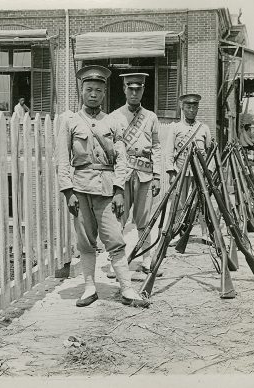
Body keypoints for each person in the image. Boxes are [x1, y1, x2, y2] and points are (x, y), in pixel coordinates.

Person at [55, 65, 149, 308]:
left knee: (115, 239)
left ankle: (127, 289)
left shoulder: (113, 122)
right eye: (89, 89)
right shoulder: (70, 122)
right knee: (85, 241)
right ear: (82, 92)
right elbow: (63, 159)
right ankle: (89, 288)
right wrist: (68, 192)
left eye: (98, 90)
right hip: (80, 189)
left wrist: (119, 191)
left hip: (107, 190)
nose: (93, 94)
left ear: (105, 93)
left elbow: (122, 160)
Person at [107, 73, 166, 277]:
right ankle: (116, 264)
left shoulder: (151, 117)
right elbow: (111, 148)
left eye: (138, 89)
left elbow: (157, 147)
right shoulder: (114, 116)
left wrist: (157, 175)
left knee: (145, 220)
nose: (134, 93)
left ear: (143, 90)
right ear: (124, 89)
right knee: (118, 219)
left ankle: (147, 260)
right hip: (123, 175)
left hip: (145, 176)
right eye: (130, 88)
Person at [166, 94, 212, 238]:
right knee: (179, 203)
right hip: (181, 172)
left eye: (194, 106)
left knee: (202, 202)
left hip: (199, 172)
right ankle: (177, 232)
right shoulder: (175, 127)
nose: (191, 110)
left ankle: (205, 233)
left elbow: (209, 151)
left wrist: (207, 171)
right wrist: (171, 172)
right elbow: (168, 151)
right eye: (188, 107)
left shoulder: (204, 128)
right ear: (182, 108)